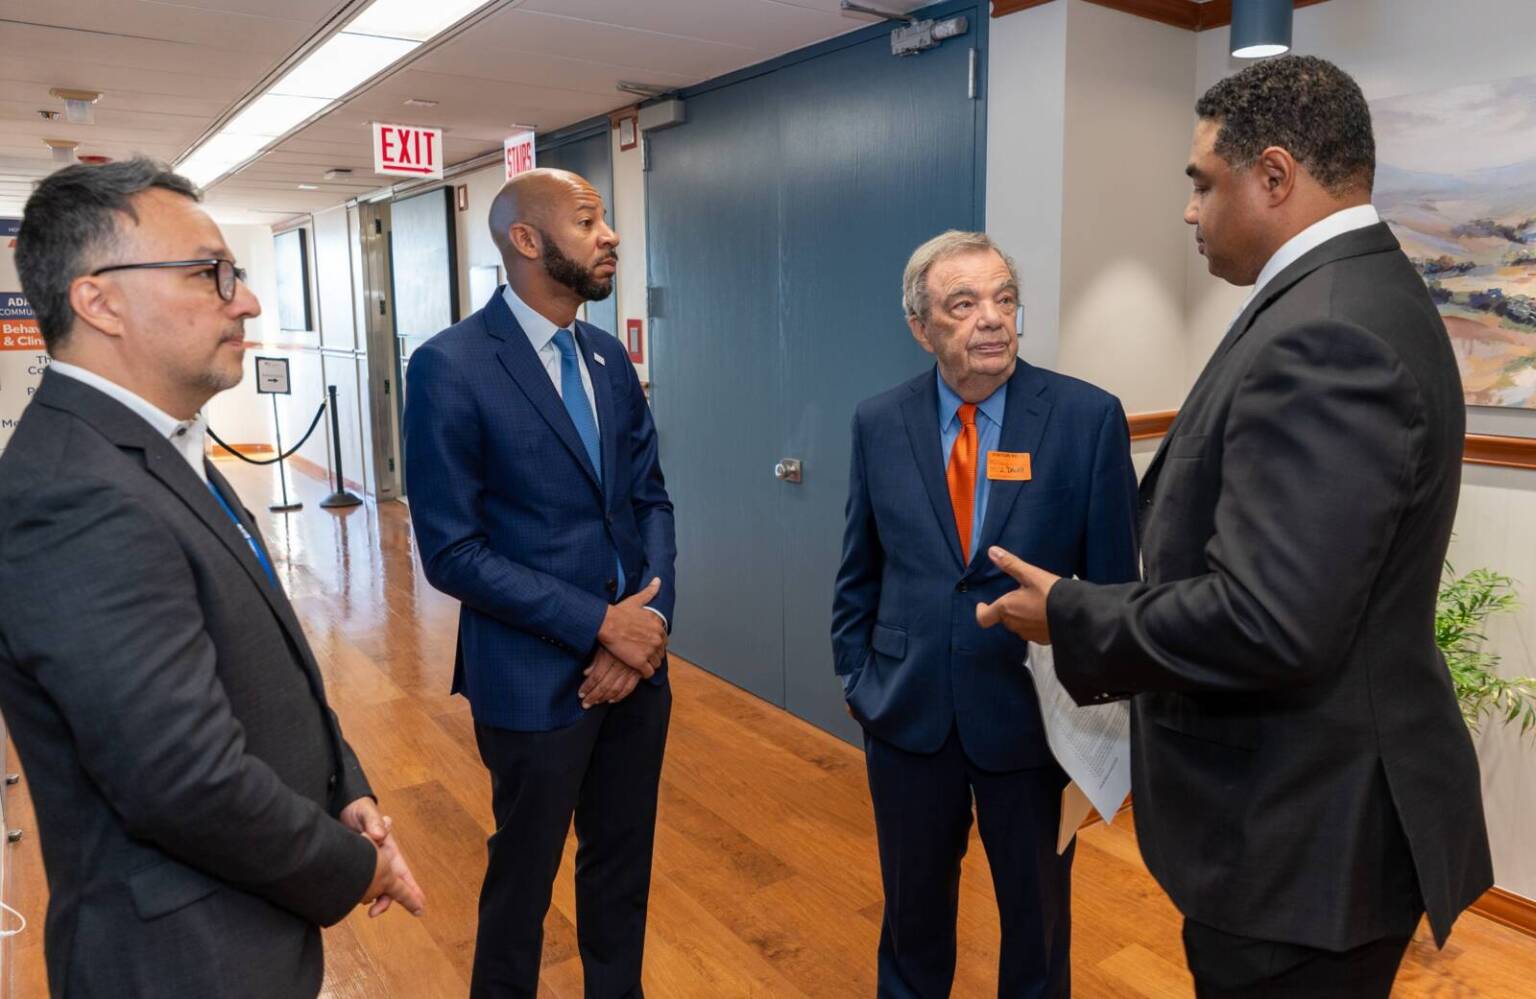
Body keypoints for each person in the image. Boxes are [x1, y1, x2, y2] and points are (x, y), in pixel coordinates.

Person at [976, 56, 1494, 998]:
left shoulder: (1328, 331)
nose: (1188, 210)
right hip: (1312, 826)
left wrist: (1078, 614)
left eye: (1201, 182)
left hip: (1301, 840)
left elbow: (1269, 620)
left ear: (1275, 175)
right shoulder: (1353, 292)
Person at [0, 159, 424, 999]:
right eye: (209, 274)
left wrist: (346, 787)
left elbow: (259, 670)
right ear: (100, 300)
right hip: (180, 960)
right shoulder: (73, 490)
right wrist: (354, 867)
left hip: (243, 924)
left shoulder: (159, 446)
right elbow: (180, 779)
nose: (247, 300)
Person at [831, 230, 1138, 998]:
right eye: (962, 304)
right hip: (907, 719)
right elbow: (857, 571)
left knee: (1037, 932)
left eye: (1003, 298)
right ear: (920, 325)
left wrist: (1097, 722)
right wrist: (859, 681)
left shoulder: (1086, 417)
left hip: (1032, 724)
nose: (991, 319)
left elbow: (1112, 590)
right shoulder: (879, 421)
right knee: (911, 925)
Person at [403, 168, 675, 998]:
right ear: (526, 240)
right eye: (589, 219)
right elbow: (452, 550)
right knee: (522, 883)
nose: (611, 235)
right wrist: (601, 623)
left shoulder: (606, 355)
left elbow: (649, 498)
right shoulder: (450, 366)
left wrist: (642, 632)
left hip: (638, 672)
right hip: (529, 678)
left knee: (621, 870)